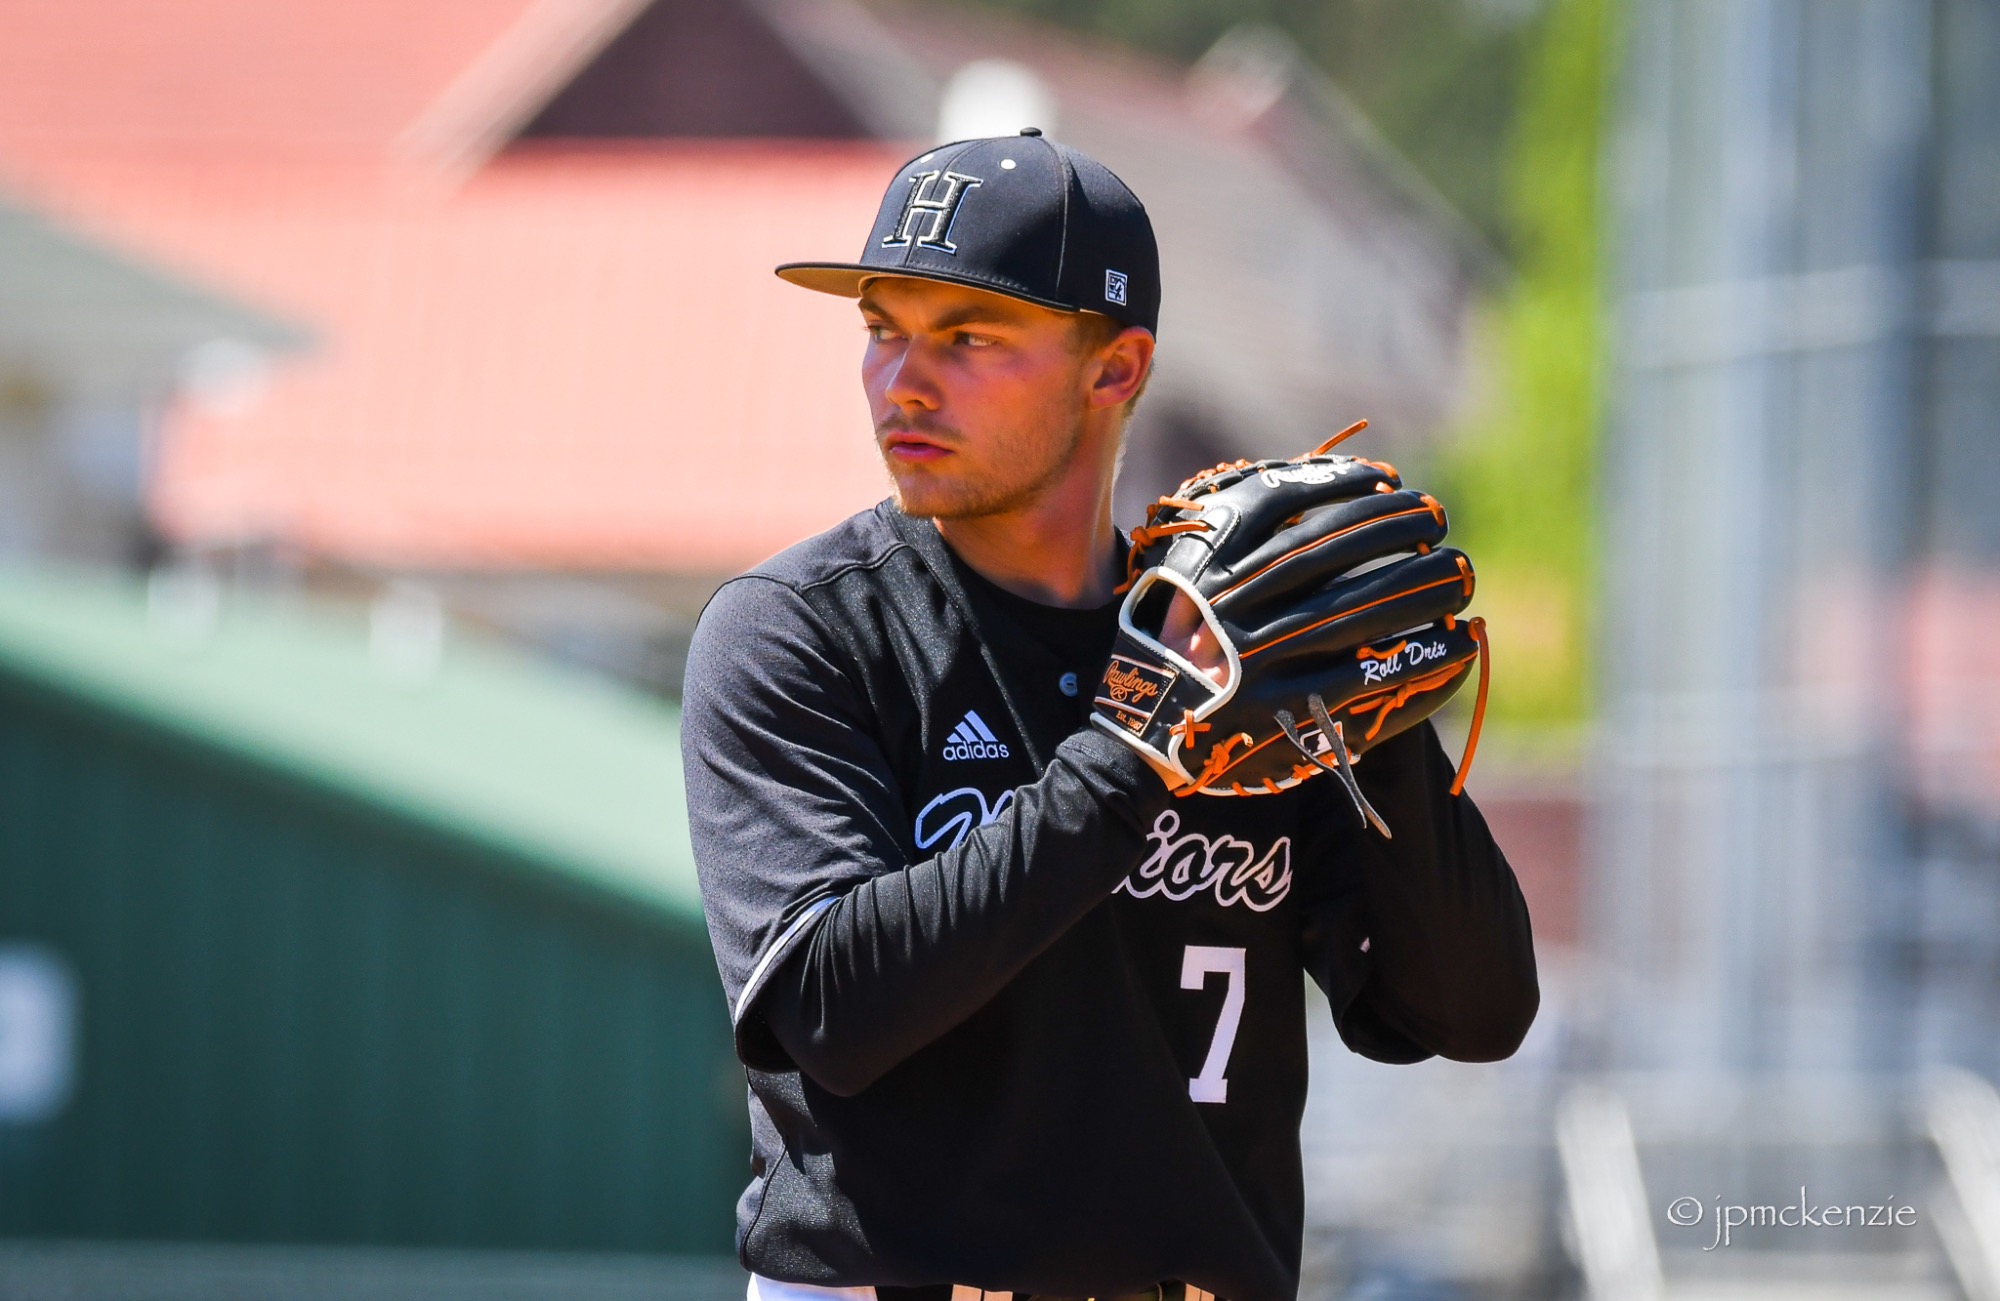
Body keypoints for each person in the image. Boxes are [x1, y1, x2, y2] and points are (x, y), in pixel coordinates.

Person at [682, 129, 1539, 1301]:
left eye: (968, 336)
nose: (904, 381)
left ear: (1115, 368)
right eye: (883, 330)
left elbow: (1470, 1010)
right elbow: (831, 1007)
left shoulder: (1240, 646)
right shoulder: (803, 631)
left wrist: (1372, 724)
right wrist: (1133, 748)